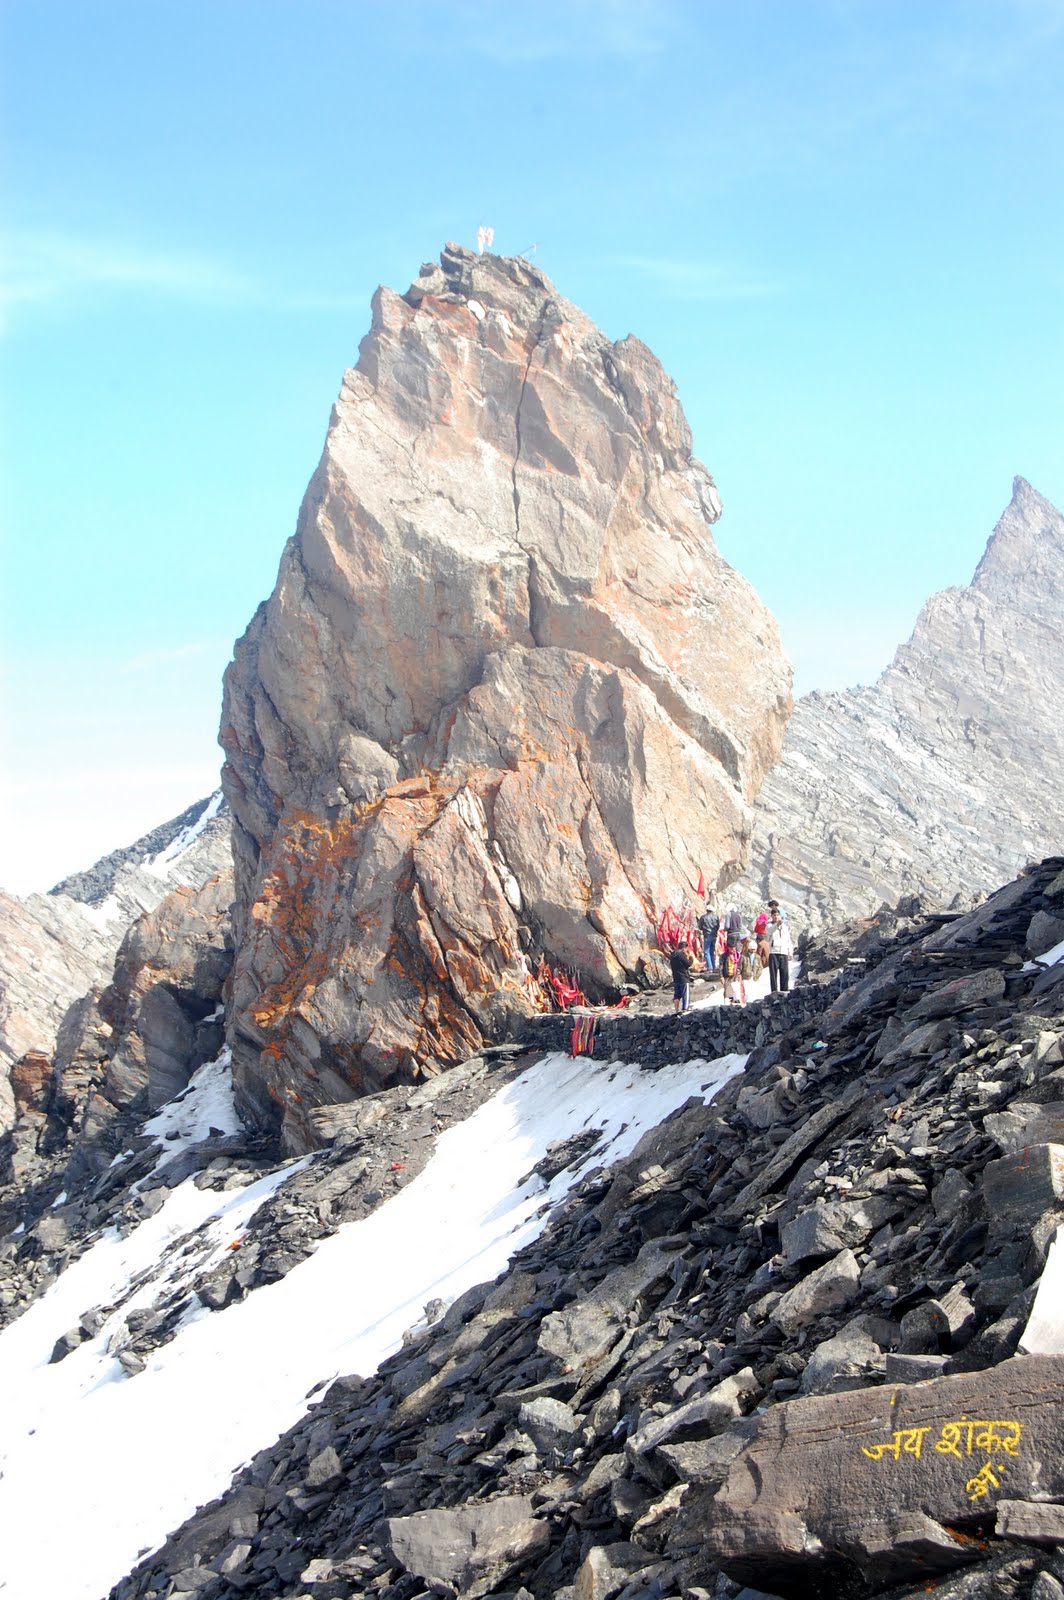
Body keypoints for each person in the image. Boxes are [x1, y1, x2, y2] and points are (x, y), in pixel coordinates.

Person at [768, 908, 794, 992]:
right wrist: (777, 925)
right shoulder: (769, 925)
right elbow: (769, 931)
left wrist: (790, 951)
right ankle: (774, 991)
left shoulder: (785, 927)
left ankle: (784, 991)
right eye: (774, 915)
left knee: (785, 974)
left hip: (783, 952)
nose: (776, 917)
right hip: (773, 952)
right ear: (771, 916)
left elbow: (788, 939)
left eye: (777, 915)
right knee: (773, 974)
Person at [669, 943, 696, 1013]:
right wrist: (691, 958)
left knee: (677, 995)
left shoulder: (673, 955)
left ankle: (676, 1010)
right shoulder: (681, 955)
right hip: (683, 977)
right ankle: (685, 1008)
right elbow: (688, 964)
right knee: (685, 993)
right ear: (684, 948)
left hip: (675, 977)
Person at [698, 905, 720, 972]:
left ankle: (709, 967)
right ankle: (713, 967)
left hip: (707, 935)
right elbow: (718, 926)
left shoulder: (703, 917)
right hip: (714, 935)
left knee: (706, 951)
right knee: (712, 951)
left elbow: (700, 927)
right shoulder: (716, 917)